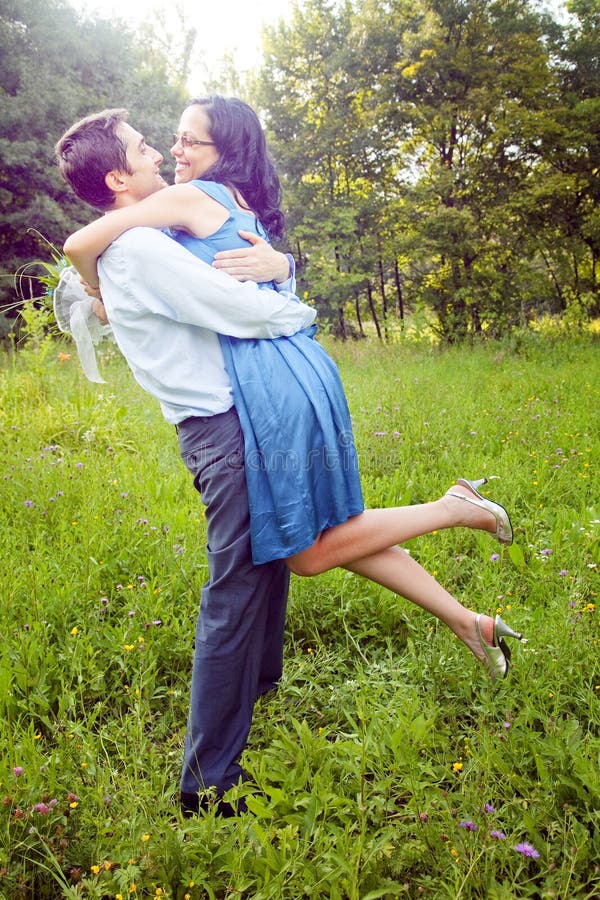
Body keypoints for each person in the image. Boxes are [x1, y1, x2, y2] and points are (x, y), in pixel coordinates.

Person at [57, 103, 524, 816]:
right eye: (146, 147)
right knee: (264, 574)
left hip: (235, 421)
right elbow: (242, 309)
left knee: (266, 572)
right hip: (226, 426)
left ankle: (229, 746)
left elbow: (212, 270)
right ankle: (218, 768)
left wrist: (281, 268)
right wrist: (294, 299)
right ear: (119, 177)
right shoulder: (141, 247)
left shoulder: (149, 238)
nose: (161, 153)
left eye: (172, 142)